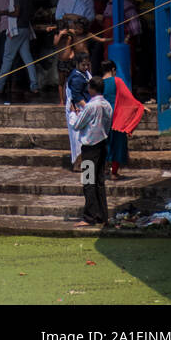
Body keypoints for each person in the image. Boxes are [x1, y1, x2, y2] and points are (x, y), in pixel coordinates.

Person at [69, 76, 113, 227]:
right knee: (99, 181)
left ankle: (89, 217)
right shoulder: (107, 105)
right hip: (102, 144)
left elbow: (77, 125)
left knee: (88, 181)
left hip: (90, 147)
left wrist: (73, 114)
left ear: (92, 89)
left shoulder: (90, 106)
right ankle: (102, 215)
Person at [0, 0, 39, 99]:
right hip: (25, 28)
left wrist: (4, 12)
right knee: (28, 59)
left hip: (16, 29)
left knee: (7, 58)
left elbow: (16, 12)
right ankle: (34, 86)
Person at [100, 59, 144, 177]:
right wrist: (140, 106)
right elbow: (128, 97)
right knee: (118, 144)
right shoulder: (117, 81)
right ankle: (114, 172)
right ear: (113, 70)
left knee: (104, 143)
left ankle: (103, 170)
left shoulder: (98, 82)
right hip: (116, 116)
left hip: (102, 116)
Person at [65, 53, 92, 170]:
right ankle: (78, 164)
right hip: (77, 110)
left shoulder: (85, 74)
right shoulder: (76, 77)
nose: (85, 67)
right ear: (77, 64)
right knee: (78, 139)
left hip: (83, 108)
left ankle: (84, 163)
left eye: (87, 65)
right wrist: (89, 108)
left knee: (85, 137)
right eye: (83, 65)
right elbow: (76, 95)